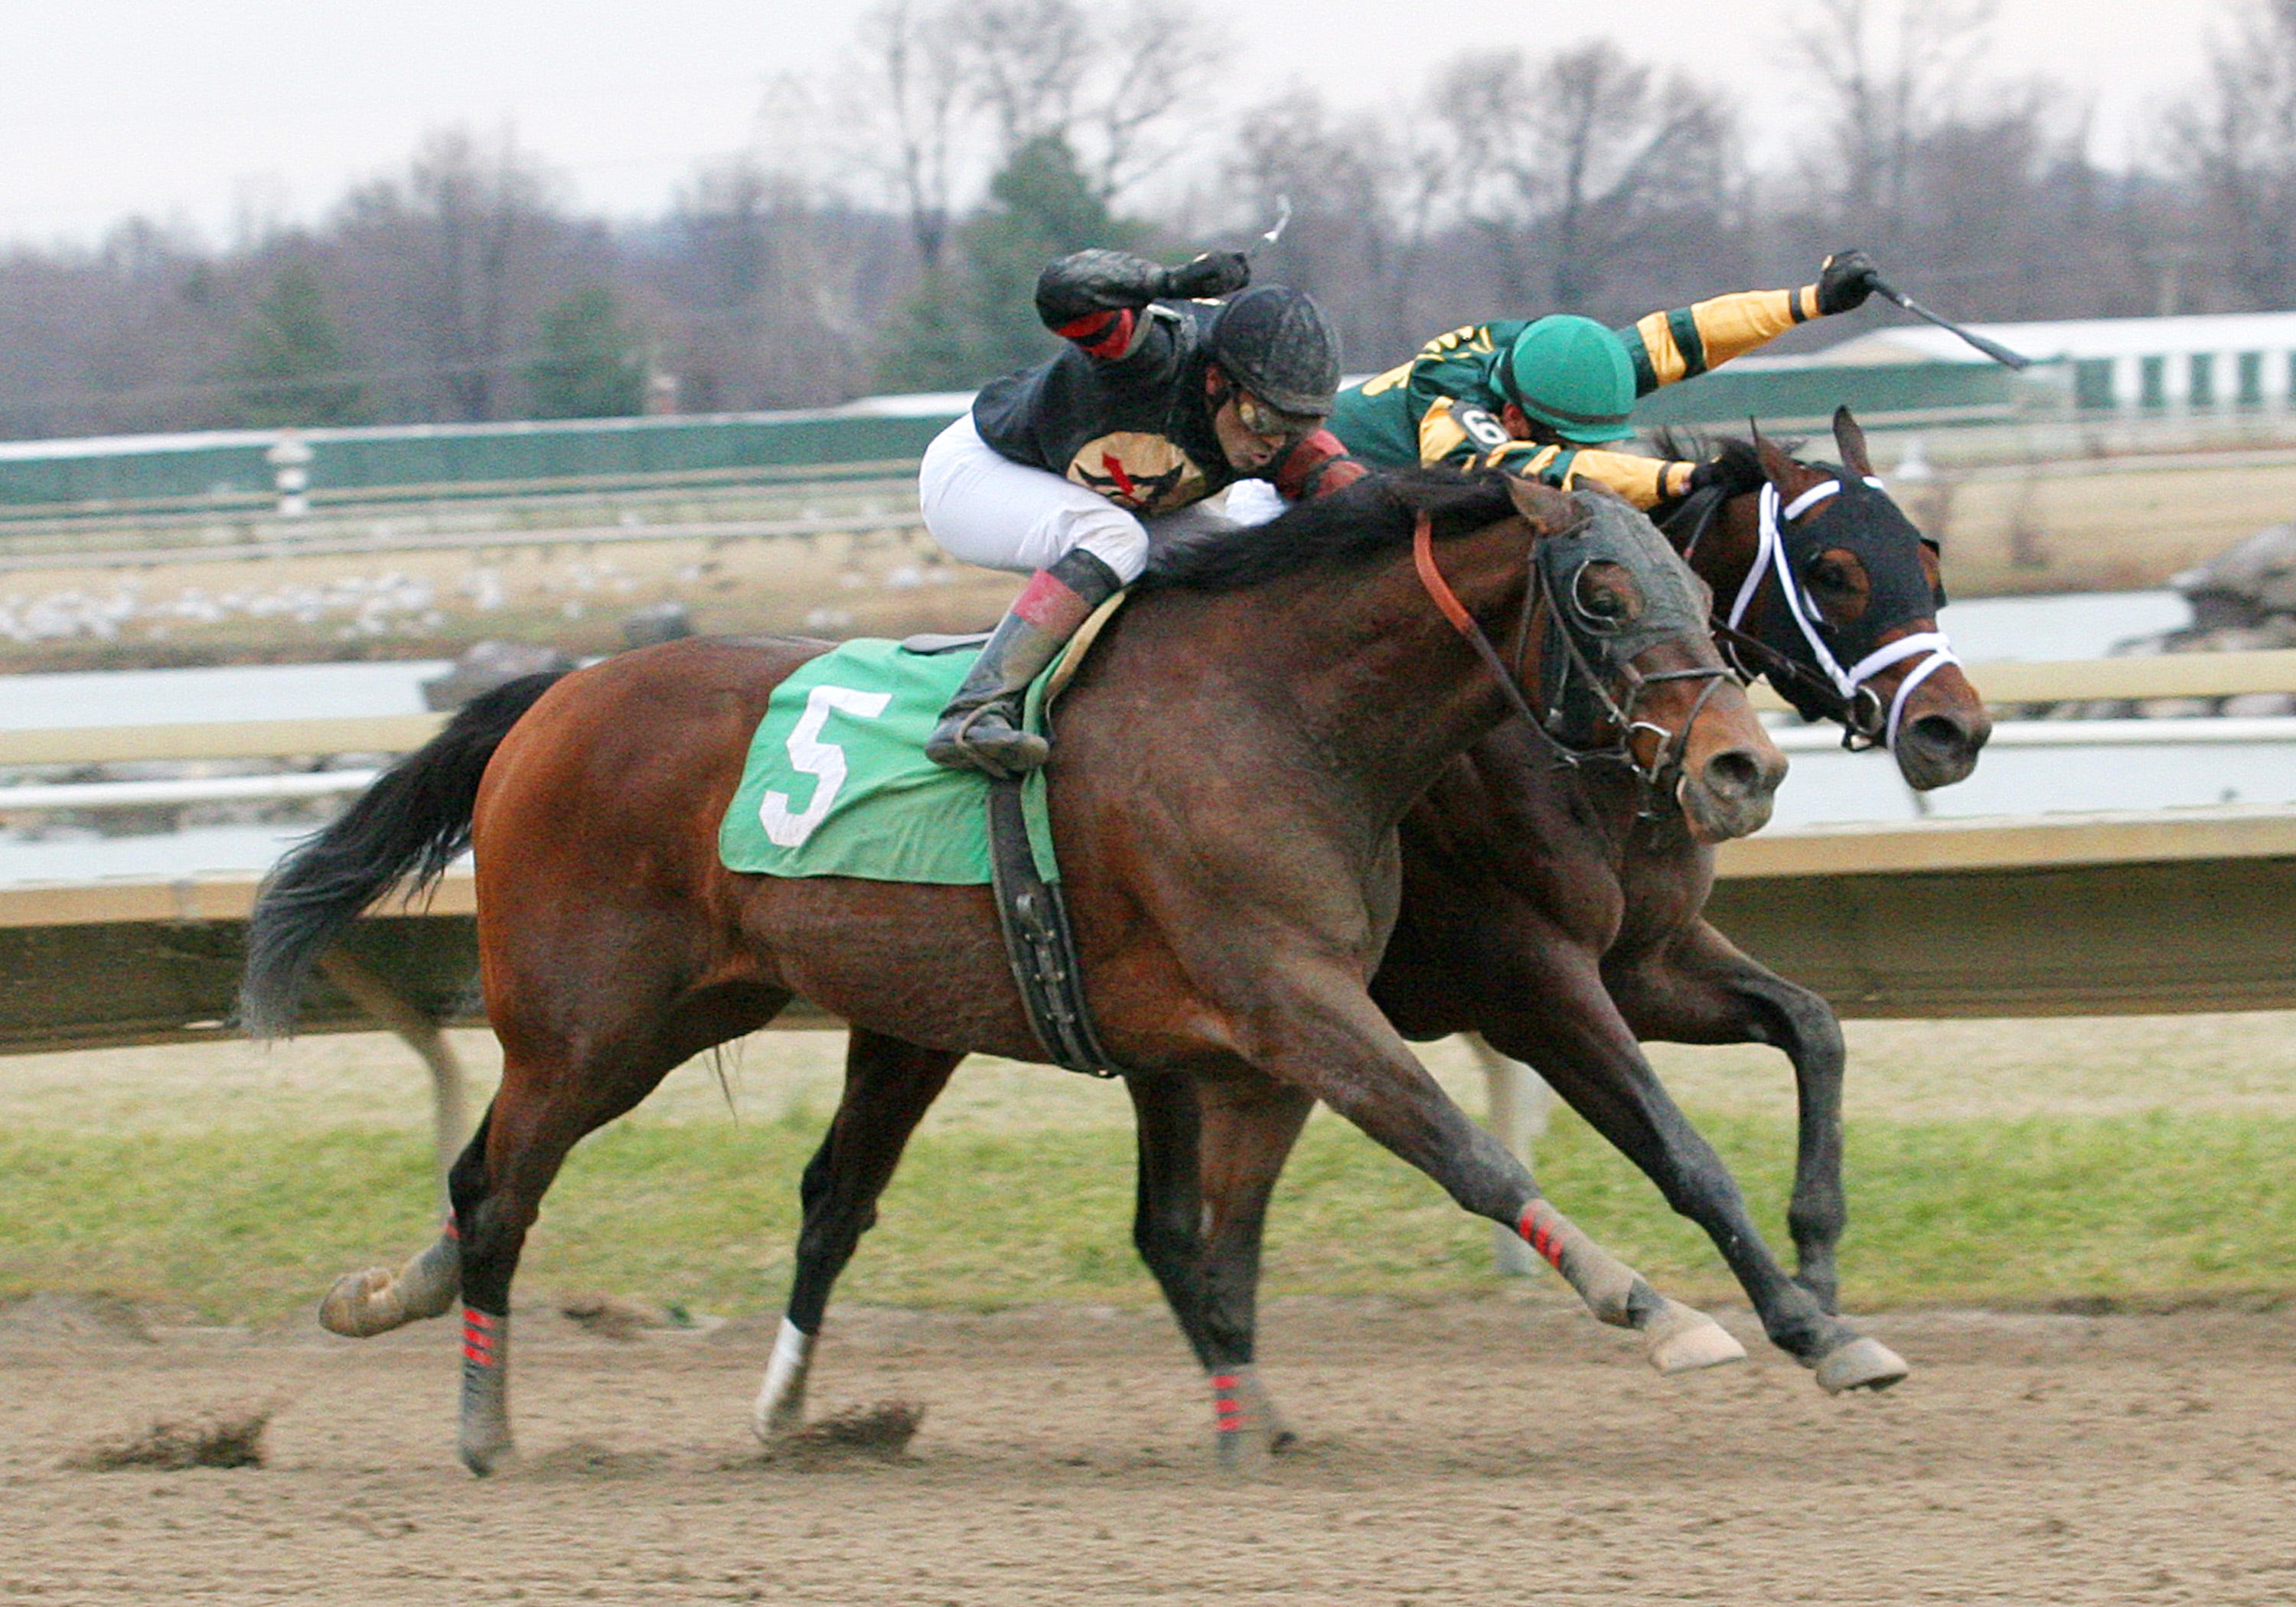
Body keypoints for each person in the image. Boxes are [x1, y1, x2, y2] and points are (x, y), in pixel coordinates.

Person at [919, 248, 1365, 777]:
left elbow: (1360, 507)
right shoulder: (1146, 359)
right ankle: (972, 713)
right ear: (1216, 380)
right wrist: (1162, 281)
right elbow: (1061, 292)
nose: (1272, 444)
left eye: (1297, 426)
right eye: (1262, 418)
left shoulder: (1276, 435)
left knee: (1235, 555)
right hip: (979, 473)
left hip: (1094, 496)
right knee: (1114, 540)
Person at [1329, 251, 1885, 507]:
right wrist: (1681, 479)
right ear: (1513, 417)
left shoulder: (1553, 363)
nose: (1582, 451)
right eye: (1569, 440)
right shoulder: (1454, 411)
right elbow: (1534, 468)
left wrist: (1813, 301)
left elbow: (1679, 339)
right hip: (1284, 488)